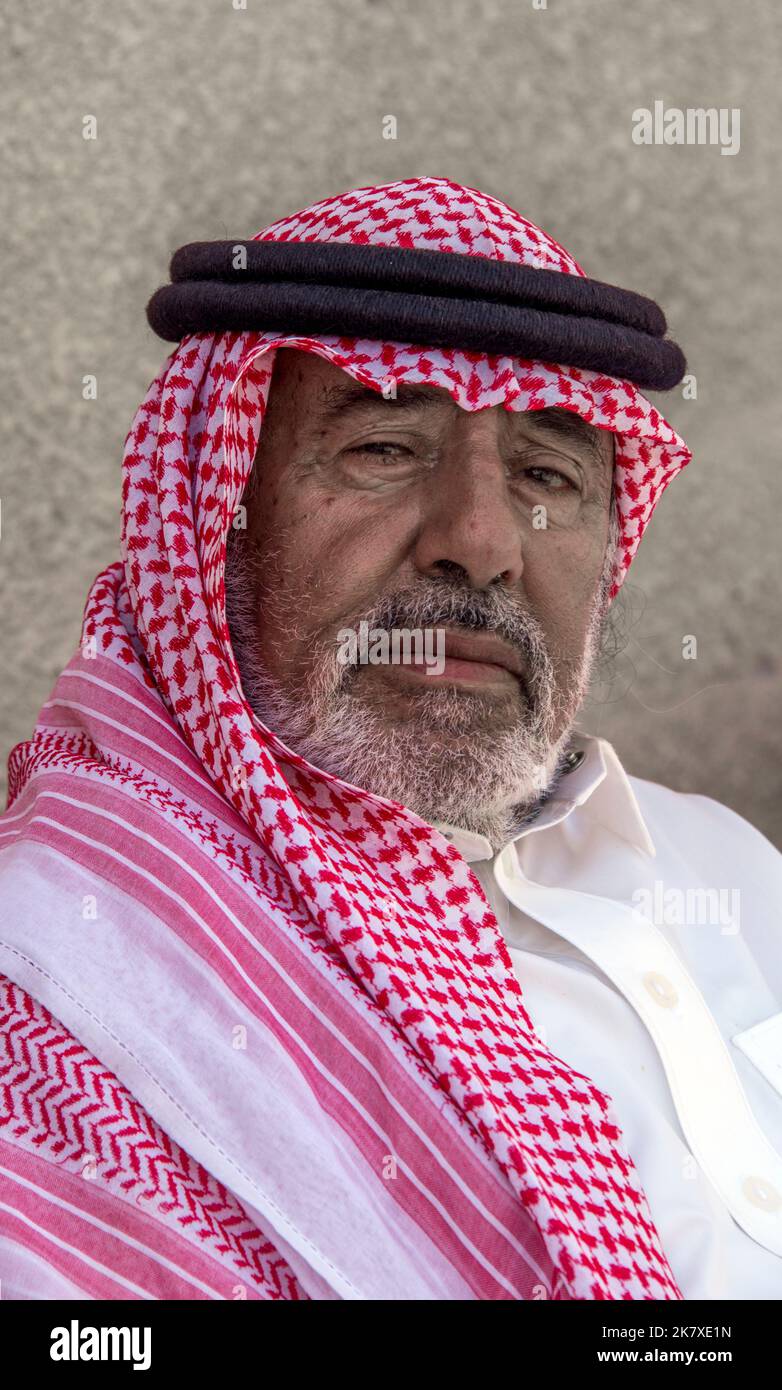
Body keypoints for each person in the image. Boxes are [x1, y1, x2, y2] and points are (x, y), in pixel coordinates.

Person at [1, 176, 780, 1301]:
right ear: (224, 514)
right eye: (381, 449)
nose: (477, 541)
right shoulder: (62, 978)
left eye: (547, 476)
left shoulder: (724, 867)